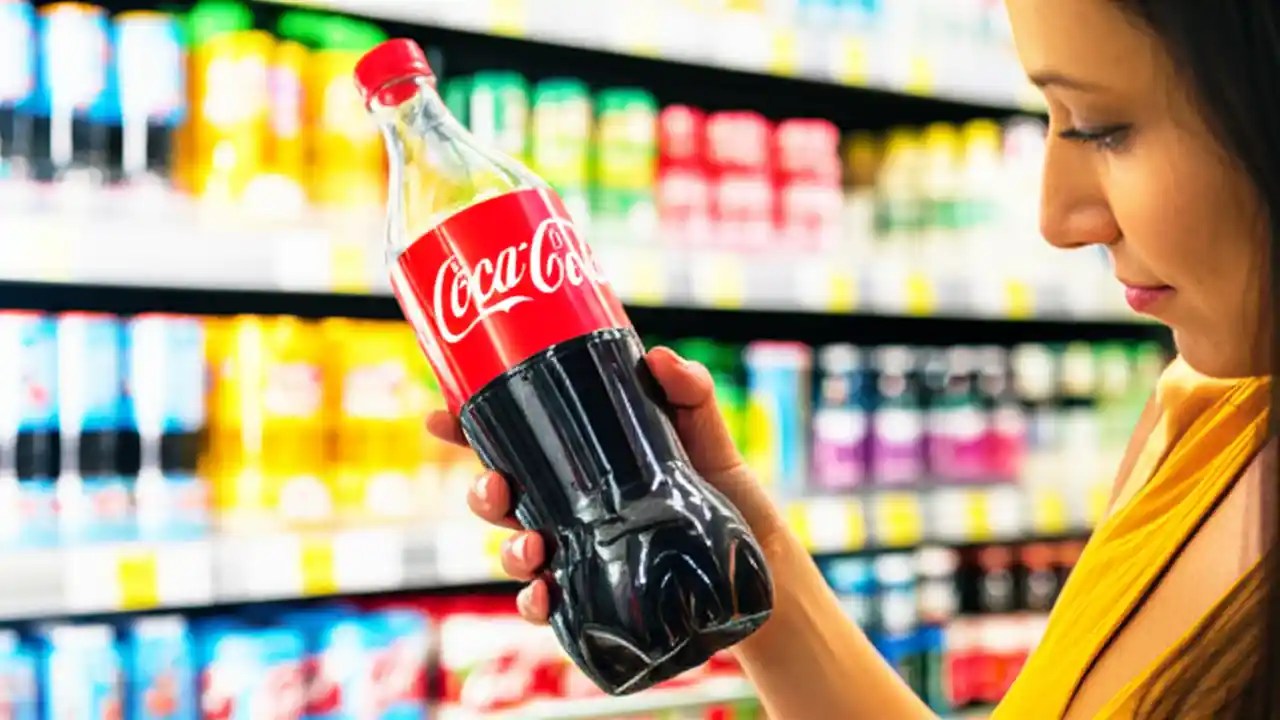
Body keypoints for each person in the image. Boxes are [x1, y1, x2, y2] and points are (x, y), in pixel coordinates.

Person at [427, 0, 1279, 717]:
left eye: (1103, 129)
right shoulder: (1203, 417)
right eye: (1048, 122)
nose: (1057, 219)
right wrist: (729, 531)